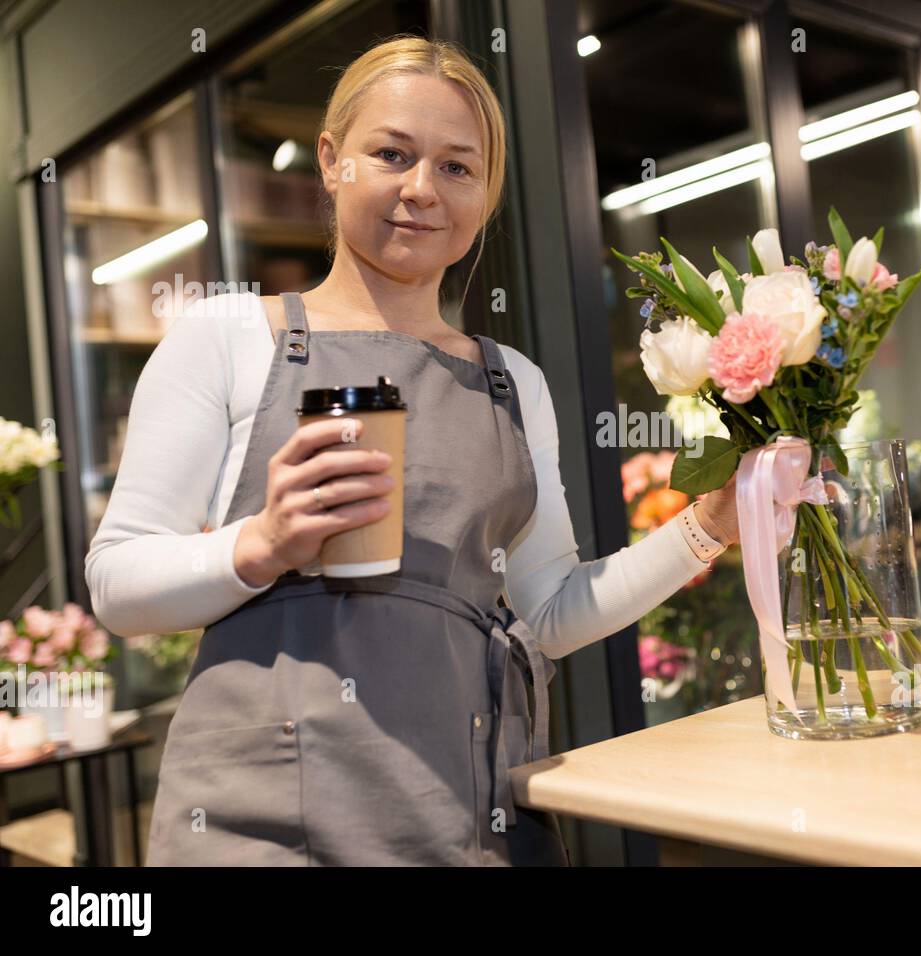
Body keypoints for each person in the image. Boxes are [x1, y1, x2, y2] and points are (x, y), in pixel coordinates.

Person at [84, 35, 739, 866]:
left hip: (467, 813)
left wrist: (708, 525)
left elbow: (549, 614)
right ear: (331, 161)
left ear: (487, 193)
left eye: (457, 168)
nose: (422, 190)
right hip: (261, 829)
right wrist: (262, 545)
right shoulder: (227, 337)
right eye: (391, 153)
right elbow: (117, 586)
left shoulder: (511, 382)